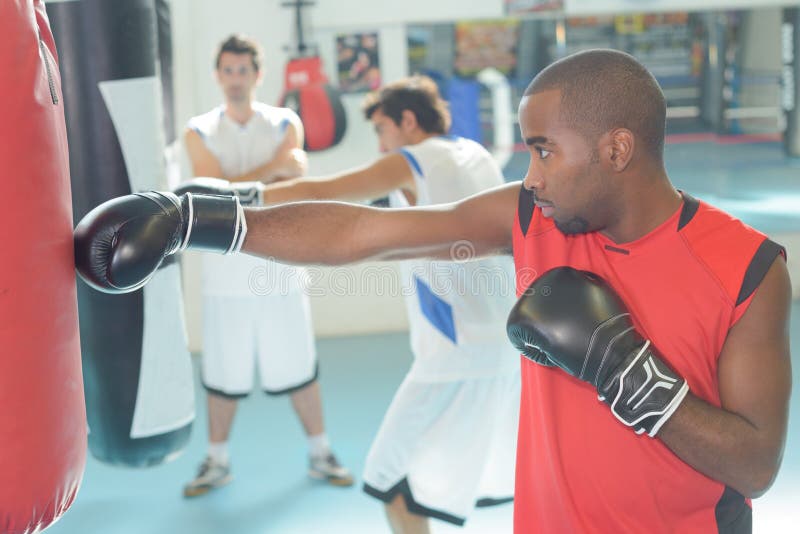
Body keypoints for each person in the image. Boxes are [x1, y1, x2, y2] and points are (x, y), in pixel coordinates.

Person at [74, 49, 792, 533]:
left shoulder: (749, 268)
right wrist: (197, 219)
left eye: (544, 150)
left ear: (616, 148)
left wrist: (629, 376)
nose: (532, 174)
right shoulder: (532, 215)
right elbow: (364, 233)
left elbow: (755, 466)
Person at [180, 75, 521, 533]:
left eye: (381, 130)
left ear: (407, 120)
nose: (381, 146)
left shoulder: (413, 158)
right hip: (505, 349)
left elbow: (326, 190)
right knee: (414, 488)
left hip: (452, 358)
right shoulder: (474, 153)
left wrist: (228, 201)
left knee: (391, 483)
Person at [180, 34, 353, 498]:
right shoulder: (198, 129)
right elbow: (208, 191)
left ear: (258, 75)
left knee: (300, 368)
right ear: (218, 75)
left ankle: (321, 451)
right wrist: (271, 171)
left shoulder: (284, 121)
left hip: (281, 264)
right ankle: (216, 461)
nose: (236, 80)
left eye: (244, 71)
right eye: (228, 71)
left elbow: (294, 183)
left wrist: (242, 180)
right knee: (222, 375)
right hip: (224, 272)